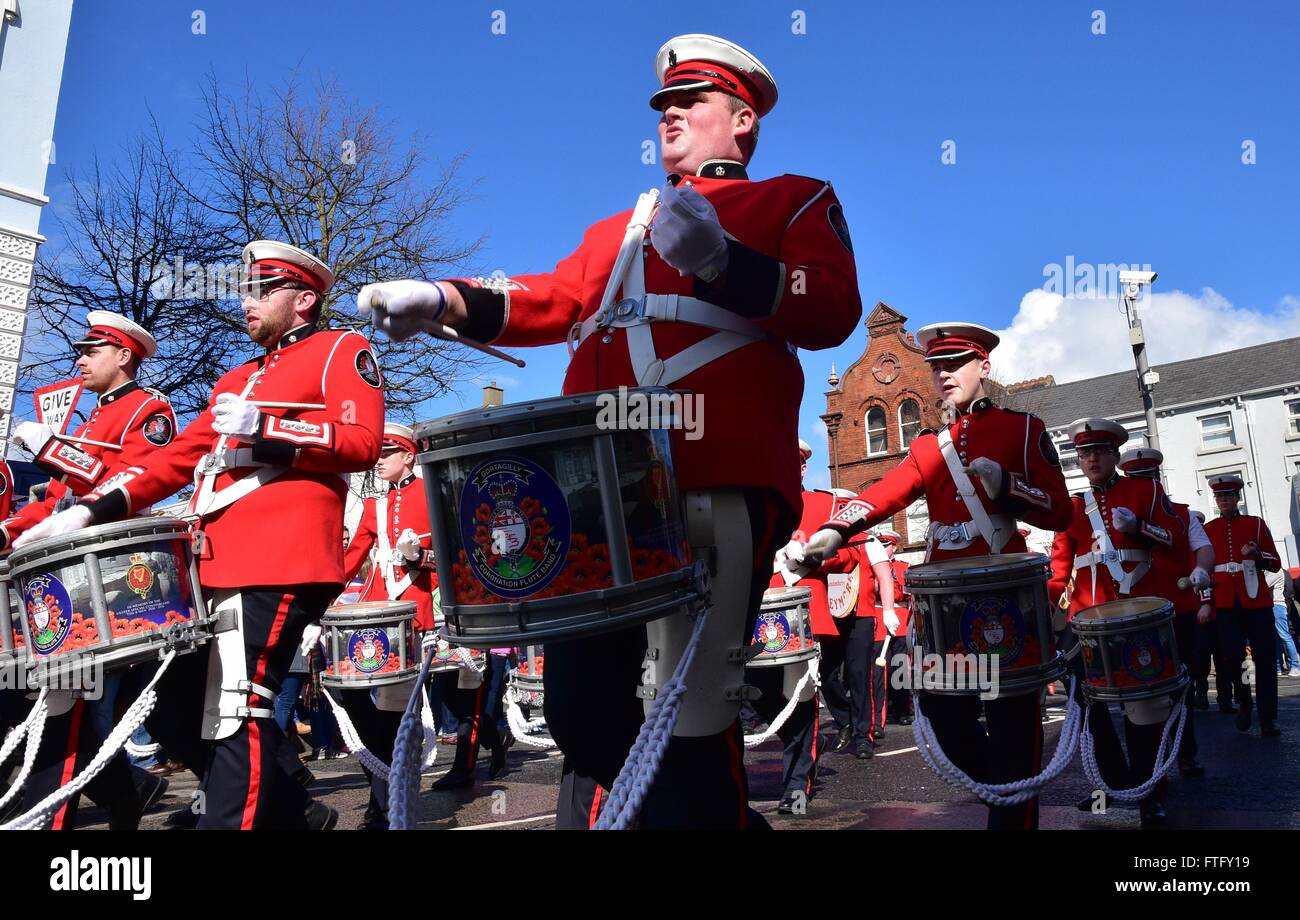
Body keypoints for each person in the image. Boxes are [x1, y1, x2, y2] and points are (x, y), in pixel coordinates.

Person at [357, 34, 861, 829]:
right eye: (664, 104)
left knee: (693, 718)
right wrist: (445, 298)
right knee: (580, 709)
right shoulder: (613, 232)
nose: (670, 115)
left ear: (741, 122)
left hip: (715, 472)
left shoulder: (792, 199)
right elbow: (547, 298)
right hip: (600, 494)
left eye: (691, 103)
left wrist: (726, 263)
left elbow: (831, 306)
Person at [19, 241, 386, 828]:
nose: (246, 302)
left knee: (238, 707)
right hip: (210, 564)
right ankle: (294, 812)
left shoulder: (340, 348)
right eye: (244, 289)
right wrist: (88, 509)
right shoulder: (235, 378)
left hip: (279, 556)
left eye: (262, 290)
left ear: (304, 299)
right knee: (173, 708)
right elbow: (175, 460)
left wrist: (267, 425)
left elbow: (362, 442)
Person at [791, 322, 1071, 830]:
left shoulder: (1022, 430)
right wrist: (835, 529)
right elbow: (883, 495)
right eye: (937, 365)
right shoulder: (928, 448)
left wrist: (1009, 486)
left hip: (1006, 599)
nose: (943, 374)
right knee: (944, 716)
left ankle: (1010, 816)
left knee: (1015, 728)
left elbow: (1061, 512)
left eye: (955, 363)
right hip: (947, 608)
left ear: (983, 366)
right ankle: (1005, 795)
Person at [2, 312, 176, 829]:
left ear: (124, 356)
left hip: (118, 579)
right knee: (65, 707)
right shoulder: (90, 422)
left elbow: (135, 484)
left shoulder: (151, 409)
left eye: (90, 351)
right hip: (67, 577)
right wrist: (8, 531)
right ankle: (127, 797)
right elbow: (55, 504)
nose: (79, 359)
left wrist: (55, 451)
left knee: (71, 710)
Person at [1049, 420, 1184, 828]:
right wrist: (1047, 614)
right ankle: (1109, 789)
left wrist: (1140, 528)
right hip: (1089, 622)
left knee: (1144, 710)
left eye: (1099, 452)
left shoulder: (1146, 491)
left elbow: (1177, 543)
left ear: (1115, 456)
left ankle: (1150, 796)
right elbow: (1059, 569)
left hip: (1137, 616)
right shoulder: (1072, 508)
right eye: (1084, 454)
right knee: (1092, 714)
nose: (1091, 460)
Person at [1118, 446, 1213, 778]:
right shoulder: (1119, 517)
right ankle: (1152, 760)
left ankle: (1185, 751)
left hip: (1178, 611)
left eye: (1150, 478)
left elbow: (1203, 548)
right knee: (1142, 690)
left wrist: (1202, 571)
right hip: (1139, 613)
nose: (1146, 485)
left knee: (1180, 686)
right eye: (1138, 479)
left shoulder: (1182, 514)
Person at [1203, 475, 1283, 737]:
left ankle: (1268, 716)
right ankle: (1245, 702)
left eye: (1228, 496)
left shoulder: (1255, 524)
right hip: (1226, 602)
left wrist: (1257, 554)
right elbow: (1204, 568)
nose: (1223, 500)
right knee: (1233, 659)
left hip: (1256, 600)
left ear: (1237, 498)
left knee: (1265, 658)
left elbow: (1275, 562)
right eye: (1219, 497)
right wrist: (1206, 601)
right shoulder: (1210, 529)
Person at [869, 528, 912, 736]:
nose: (882, 548)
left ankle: (904, 709)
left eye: (885, 545)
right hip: (878, 618)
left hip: (901, 620)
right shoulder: (870, 568)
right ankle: (878, 720)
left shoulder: (904, 567)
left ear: (893, 547)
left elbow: (905, 593)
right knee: (878, 673)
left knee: (900, 667)